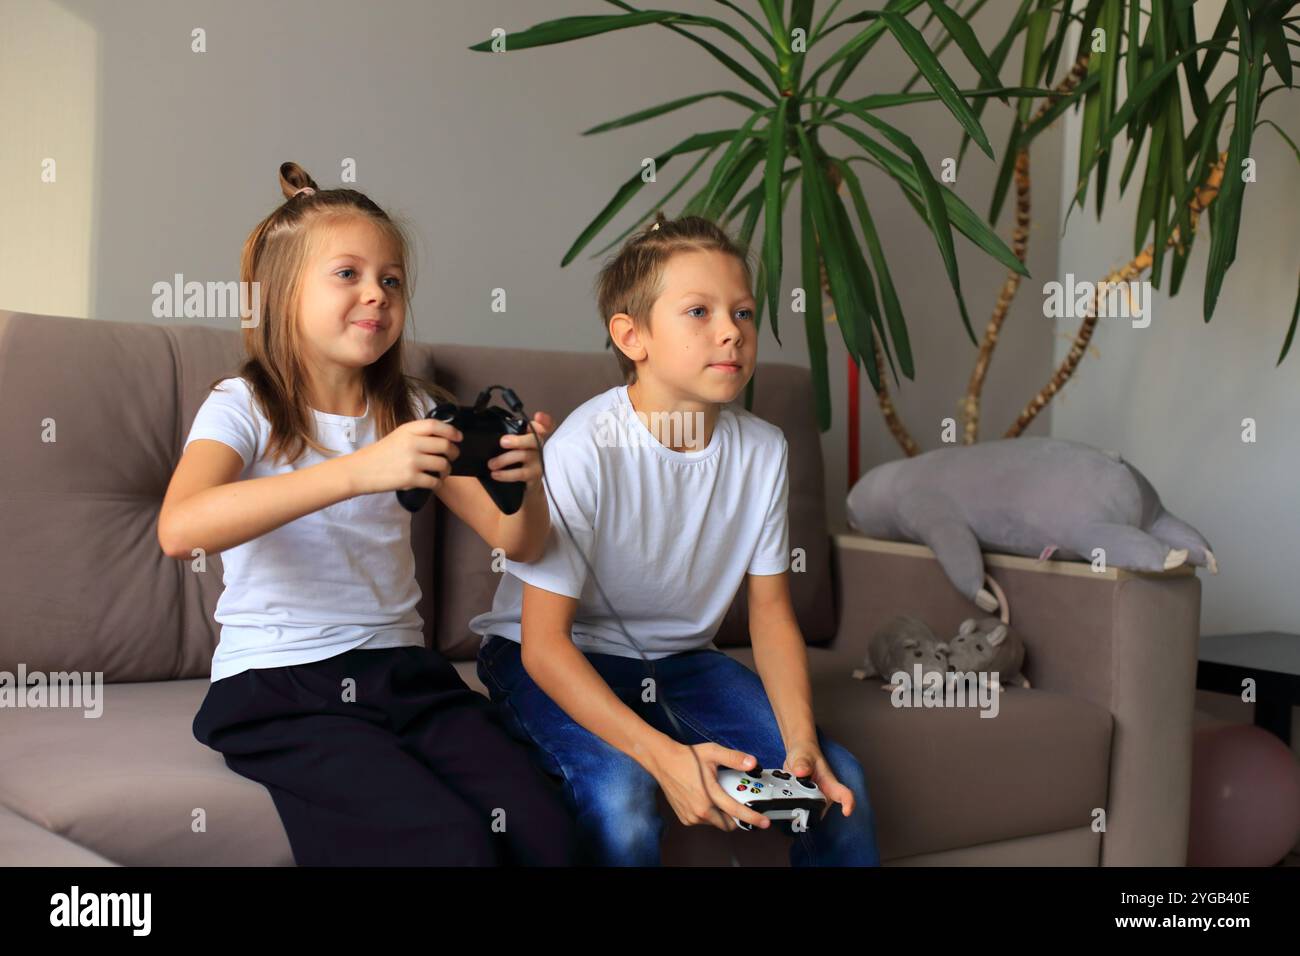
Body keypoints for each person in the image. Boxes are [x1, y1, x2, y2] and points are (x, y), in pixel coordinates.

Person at [159, 162, 578, 866]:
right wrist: (356, 471)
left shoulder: (411, 409)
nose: (375, 296)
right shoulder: (244, 405)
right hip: (281, 683)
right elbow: (181, 526)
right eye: (347, 274)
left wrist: (527, 482)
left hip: (405, 676)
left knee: (546, 828)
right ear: (282, 294)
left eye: (390, 280)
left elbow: (520, 542)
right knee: (449, 845)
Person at [471, 213, 881, 866]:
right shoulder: (586, 447)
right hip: (547, 656)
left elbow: (772, 613)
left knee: (837, 785)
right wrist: (664, 758)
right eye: (699, 311)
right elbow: (544, 646)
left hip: (681, 663)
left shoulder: (763, 450)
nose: (730, 332)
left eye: (743, 313)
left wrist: (800, 741)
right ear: (633, 336)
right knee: (622, 799)